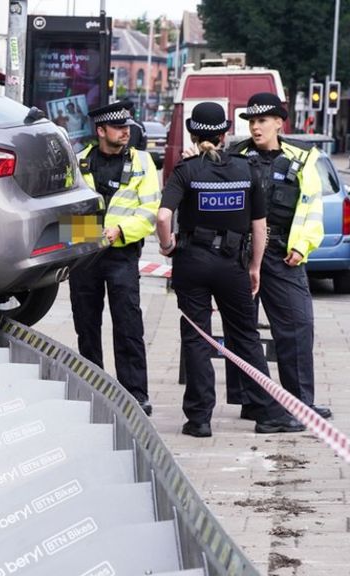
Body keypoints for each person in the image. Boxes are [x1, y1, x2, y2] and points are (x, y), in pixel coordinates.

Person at [156, 102, 306, 437]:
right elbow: (259, 226)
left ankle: (199, 419)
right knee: (245, 336)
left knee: (196, 338)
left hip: (192, 262)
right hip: (231, 264)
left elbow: (164, 217)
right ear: (225, 134)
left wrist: (167, 247)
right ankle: (268, 412)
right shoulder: (245, 169)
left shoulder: (186, 170)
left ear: (193, 133)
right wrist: (254, 266)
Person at [227, 92, 331, 420]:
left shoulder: (303, 157)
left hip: (282, 253)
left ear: (278, 123)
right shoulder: (234, 155)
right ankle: (252, 401)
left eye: (262, 121)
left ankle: (300, 401)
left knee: (297, 327)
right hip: (240, 254)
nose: (255, 128)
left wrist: (302, 246)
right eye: (252, 122)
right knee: (242, 329)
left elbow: (312, 207)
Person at [72, 100, 160, 416]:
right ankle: (93, 388)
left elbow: (148, 213)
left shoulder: (142, 162)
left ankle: (136, 394)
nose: (125, 132)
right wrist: (91, 236)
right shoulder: (79, 162)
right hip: (85, 255)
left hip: (122, 253)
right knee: (87, 325)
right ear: (101, 131)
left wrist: (117, 231)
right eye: (118, 128)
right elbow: (66, 211)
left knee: (128, 325)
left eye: (127, 127)